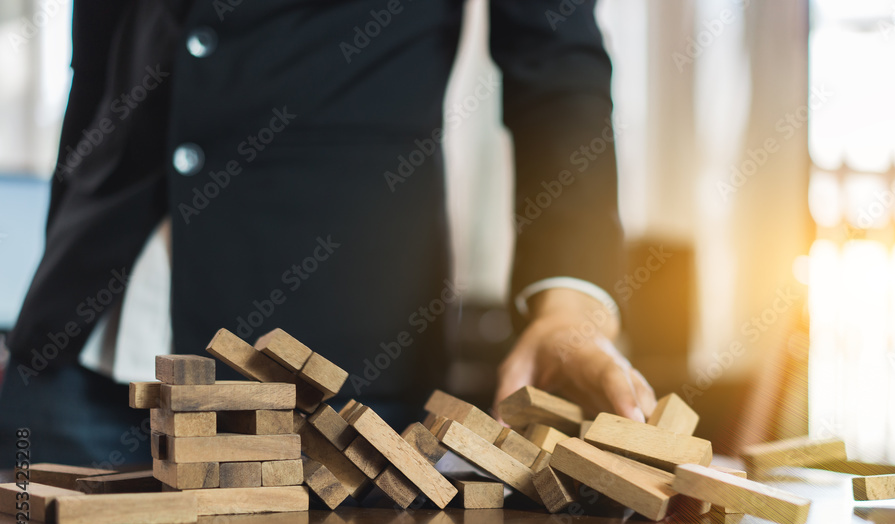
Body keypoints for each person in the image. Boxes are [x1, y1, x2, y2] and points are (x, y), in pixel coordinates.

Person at [0, 0, 655, 466]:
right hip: (76, 355)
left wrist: (572, 306)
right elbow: (96, 60)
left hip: (325, 371)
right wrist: (51, 282)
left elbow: (558, 64)